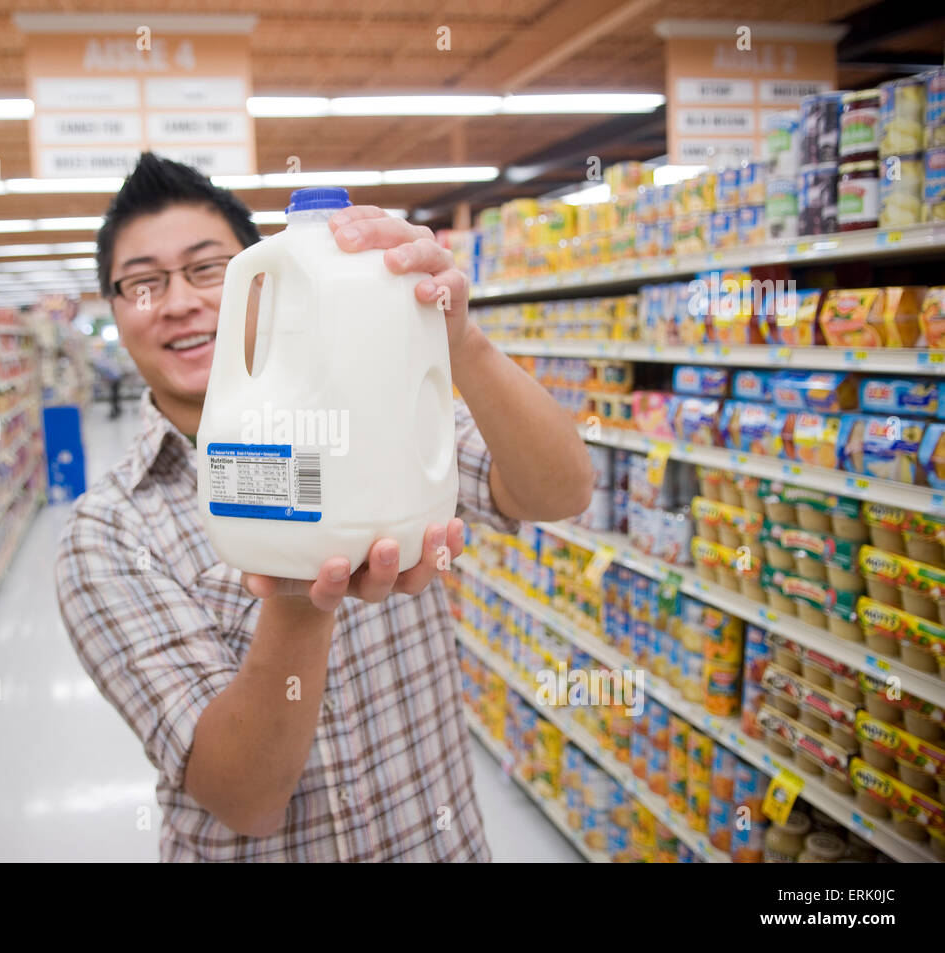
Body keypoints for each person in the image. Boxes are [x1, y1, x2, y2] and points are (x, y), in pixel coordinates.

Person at [55, 153, 593, 861]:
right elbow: (244, 797)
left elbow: (560, 491)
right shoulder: (107, 532)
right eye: (143, 283)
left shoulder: (371, 413)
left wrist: (459, 341)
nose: (180, 300)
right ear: (117, 309)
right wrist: (298, 599)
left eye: (207, 268)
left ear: (269, 276)